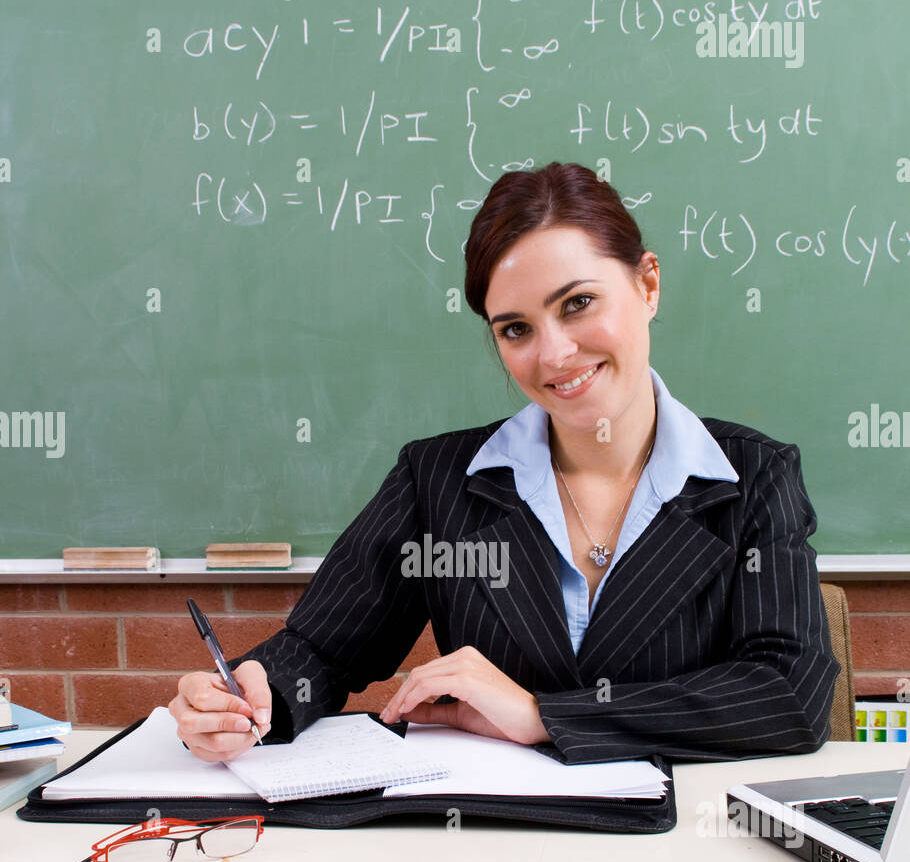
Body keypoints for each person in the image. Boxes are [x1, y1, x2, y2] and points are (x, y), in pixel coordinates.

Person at [168, 162, 838, 765]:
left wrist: (544, 716)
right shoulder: (438, 481)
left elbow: (785, 692)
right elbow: (318, 653)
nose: (554, 356)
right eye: (515, 329)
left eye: (578, 304)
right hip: (486, 857)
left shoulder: (750, 479)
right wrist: (249, 696)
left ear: (648, 284)